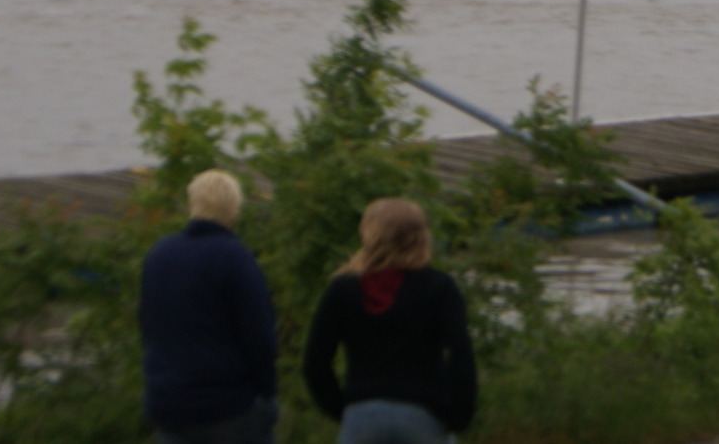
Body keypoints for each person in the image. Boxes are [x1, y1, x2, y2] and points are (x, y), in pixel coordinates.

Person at [303, 198, 478, 444]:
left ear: (368, 234)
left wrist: (342, 409)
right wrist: (460, 415)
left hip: (362, 413)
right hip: (423, 412)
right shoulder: (440, 287)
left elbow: (315, 361)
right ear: (421, 236)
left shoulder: (343, 288)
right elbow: (461, 354)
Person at [137, 170, 279, 444]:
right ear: (234, 209)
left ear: (192, 203)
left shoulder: (159, 255)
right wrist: (266, 389)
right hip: (226, 405)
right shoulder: (235, 258)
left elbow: (148, 324)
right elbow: (259, 333)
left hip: (169, 403)